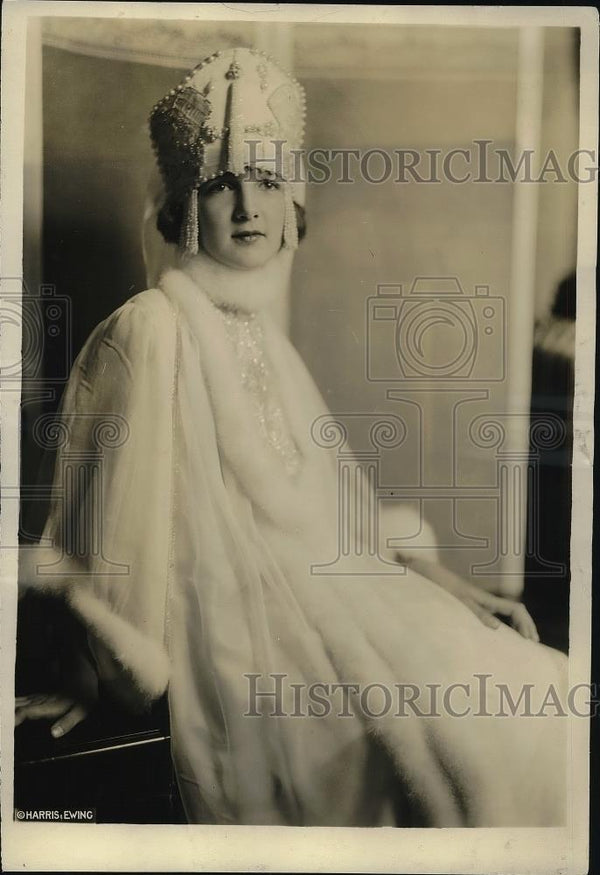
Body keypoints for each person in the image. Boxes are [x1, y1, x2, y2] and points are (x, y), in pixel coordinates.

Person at [18, 47, 567, 827]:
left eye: (269, 181)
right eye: (221, 184)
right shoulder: (150, 329)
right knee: (474, 728)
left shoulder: (256, 333)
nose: (248, 206)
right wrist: (104, 670)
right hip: (247, 631)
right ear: (182, 208)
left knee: (536, 690)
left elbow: (336, 512)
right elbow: (117, 552)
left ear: (293, 205)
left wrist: (459, 590)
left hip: (339, 596)